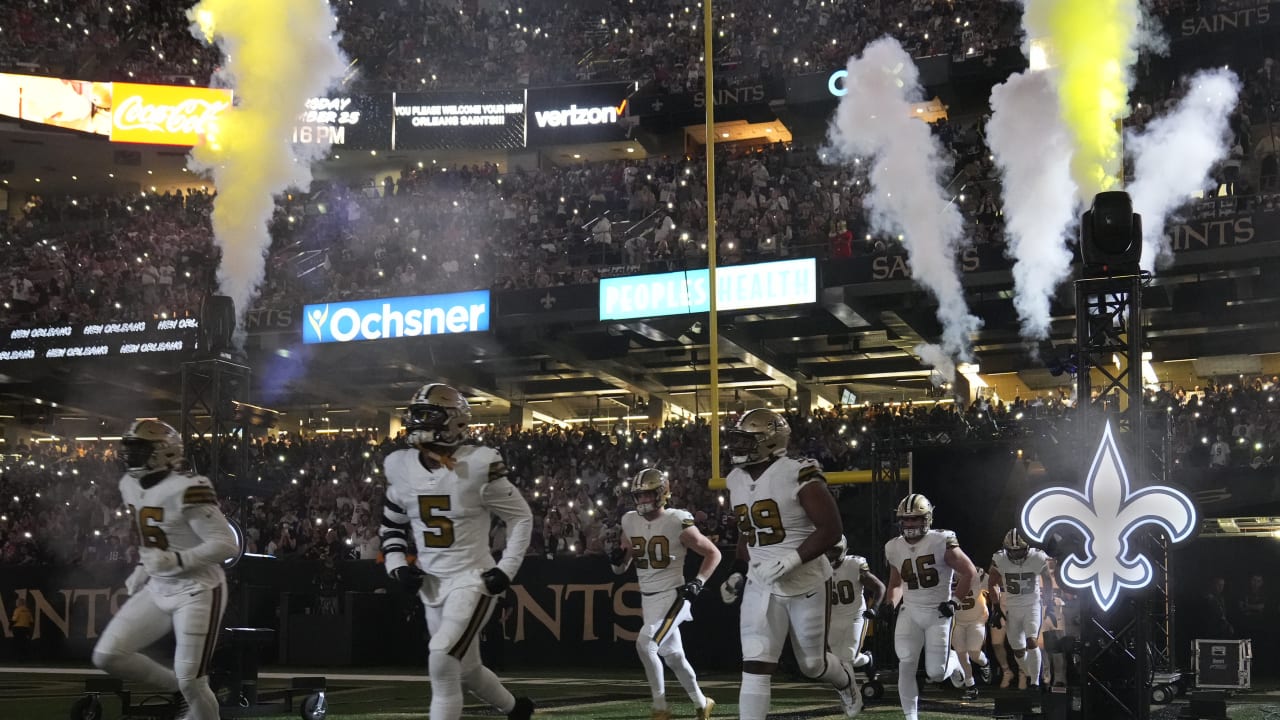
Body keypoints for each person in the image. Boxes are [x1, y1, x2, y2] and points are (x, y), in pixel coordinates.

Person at [379, 383, 535, 720]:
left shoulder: (478, 463)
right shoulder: (400, 466)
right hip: (432, 585)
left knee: (441, 659)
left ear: (455, 422)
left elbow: (520, 517)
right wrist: (396, 564)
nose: (418, 422)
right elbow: (391, 525)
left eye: (428, 415)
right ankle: (516, 709)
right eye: (416, 414)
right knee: (468, 669)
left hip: (471, 578)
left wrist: (506, 569)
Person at [719, 409, 862, 720]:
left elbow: (831, 529)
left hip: (806, 582)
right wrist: (737, 570)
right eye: (737, 440)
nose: (738, 447)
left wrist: (790, 560)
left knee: (813, 665)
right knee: (755, 664)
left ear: (769, 441)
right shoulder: (735, 480)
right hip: (761, 583)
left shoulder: (798, 473)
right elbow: (749, 532)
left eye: (747, 440)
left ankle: (846, 679)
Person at [92, 419, 238, 720]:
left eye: (140, 448)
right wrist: (143, 567)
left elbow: (226, 544)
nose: (130, 454)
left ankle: (187, 693)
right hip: (158, 586)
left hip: (198, 589)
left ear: (165, 451)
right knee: (107, 655)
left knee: (193, 681)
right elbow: (158, 535)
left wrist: (177, 561)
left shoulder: (188, 488)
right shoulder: (129, 484)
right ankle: (174, 687)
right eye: (130, 448)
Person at [611, 468, 721, 720]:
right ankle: (702, 702)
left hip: (674, 595)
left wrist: (698, 582)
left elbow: (714, 553)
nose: (642, 501)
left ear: (662, 493)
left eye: (647, 495)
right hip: (648, 598)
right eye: (638, 496)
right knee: (673, 656)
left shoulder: (676, 520)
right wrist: (617, 560)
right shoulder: (629, 520)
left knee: (645, 644)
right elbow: (621, 566)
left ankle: (660, 708)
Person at [884, 493, 976, 720]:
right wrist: (890, 604)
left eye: (915, 518)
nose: (909, 524)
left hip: (938, 613)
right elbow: (896, 583)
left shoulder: (941, 541)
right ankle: (910, 717)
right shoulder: (893, 546)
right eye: (905, 519)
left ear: (927, 519)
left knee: (936, 673)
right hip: (910, 611)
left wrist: (954, 602)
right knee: (906, 662)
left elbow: (969, 572)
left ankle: (954, 663)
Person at [988, 528, 1054, 694]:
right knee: (1017, 649)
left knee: (1032, 641)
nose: (1016, 555)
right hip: (1012, 607)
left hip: (1032, 605)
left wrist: (1049, 603)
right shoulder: (1000, 558)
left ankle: (1035, 681)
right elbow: (992, 583)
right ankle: (1032, 673)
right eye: (1012, 551)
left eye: (1019, 551)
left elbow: (1047, 578)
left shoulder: (1037, 556)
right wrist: (996, 606)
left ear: (1027, 548)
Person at [827, 536, 886, 678]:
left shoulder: (853, 564)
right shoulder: (817, 567)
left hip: (855, 616)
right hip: (832, 618)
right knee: (836, 659)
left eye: (834, 550)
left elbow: (879, 587)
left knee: (848, 657)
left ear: (844, 550)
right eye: (826, 550)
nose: (829, 554)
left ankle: (849, 694)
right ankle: (866, 660)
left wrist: (875, 608)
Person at [951, 567, 993, 699]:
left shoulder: (976, 575)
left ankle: (984, 663)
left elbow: (993, 586)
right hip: (957, 621)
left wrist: (996, 606)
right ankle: (971, 686)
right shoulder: (944, 576)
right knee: (961, 653)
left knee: (974, 653)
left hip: (976, 620)